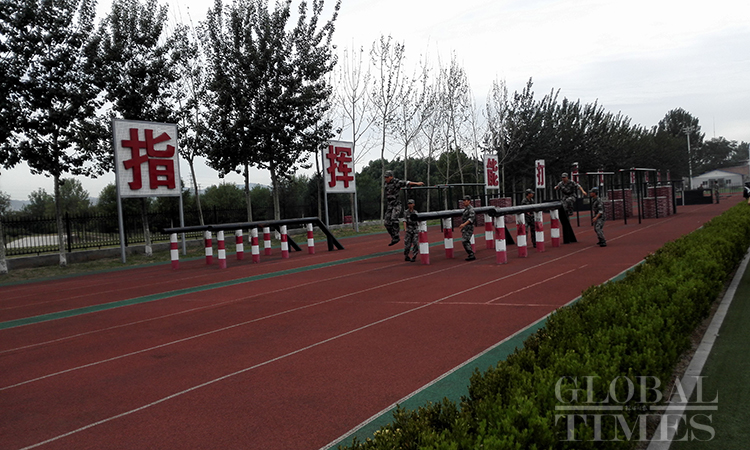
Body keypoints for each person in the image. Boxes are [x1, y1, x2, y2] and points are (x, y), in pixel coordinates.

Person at [383, 170, 424, 246]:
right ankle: (394, 237)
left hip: (396, 204)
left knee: (394, 218)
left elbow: (407, 183)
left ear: (391, 177)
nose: (386, 179)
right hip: (390, 205)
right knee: (386, 223)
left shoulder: (396, 182)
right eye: (385, 177)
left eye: (387, 177)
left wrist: (417, 183)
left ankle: (397, 234)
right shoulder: (386, 183)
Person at [457, 195, 476, 261]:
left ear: (469, 201)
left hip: (468, 227)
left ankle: (471, 254)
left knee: (465, 240)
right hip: (466, 227)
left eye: (465, 200)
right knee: (465, 240)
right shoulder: (466, 209)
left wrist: (464, 224)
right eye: (463, 201)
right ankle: (471, 254)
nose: (464, 202)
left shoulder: (471, 209)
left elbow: (471, 219)